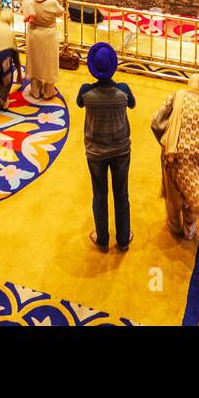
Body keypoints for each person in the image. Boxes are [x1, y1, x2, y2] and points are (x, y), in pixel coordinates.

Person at [153, 72, 199, 240]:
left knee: (173, 196)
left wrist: (165, 141)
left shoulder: (176, 96)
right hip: (196, 160)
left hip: (171, 154)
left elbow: (155, 121)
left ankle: (174, 227)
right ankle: (190, 229)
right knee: (193, 190)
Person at [75, 43, 134, 253]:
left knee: (99, 194)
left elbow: (78, 103)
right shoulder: (123, 90)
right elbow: (133, 104)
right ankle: (123, 239)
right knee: (121, 193)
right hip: (120, 149)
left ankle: (102, 240)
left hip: (96, 151)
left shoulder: (86, 91)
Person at [21, 0, 66, 101]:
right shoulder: (51, 2)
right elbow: (61, 12)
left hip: (33, 34)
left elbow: (23, 12)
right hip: (48, 36)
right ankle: (48, 91)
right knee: (48, 63)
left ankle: (35, 90)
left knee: (35, 62)